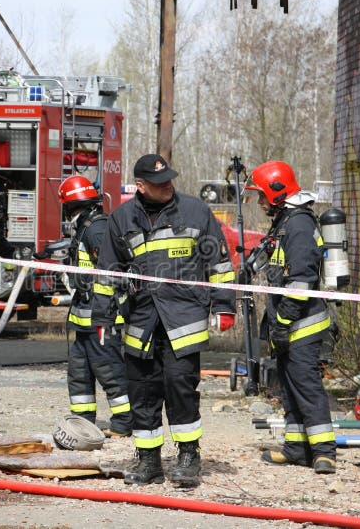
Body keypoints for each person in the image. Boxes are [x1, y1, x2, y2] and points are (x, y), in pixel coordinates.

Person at [92, 154, 236, 487]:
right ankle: (148, 460)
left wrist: (224, 305)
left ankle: (188, 456)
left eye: (169, 178)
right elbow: (107, 272)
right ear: (140, 186)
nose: (167, 185)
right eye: (159, 183)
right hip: (141, 318)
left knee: (180, 386)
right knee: (142, 390)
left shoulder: (196, 211)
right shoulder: (121, 219)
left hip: (183, 317)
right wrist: (103, 315)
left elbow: (219, 263)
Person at [245, 160, 336, 474]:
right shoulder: (285, 221)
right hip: (288, 322)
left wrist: (283, 323)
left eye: (261, 195)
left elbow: (301, 280)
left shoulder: (298, 226)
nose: (259, 202)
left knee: (307, 388)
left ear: (276, 191)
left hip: (302, 324)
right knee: (288, 387)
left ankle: (324, 453)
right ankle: (296, 448)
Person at [57, 175, 132, 437]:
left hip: (101, 317)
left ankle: (124, 422)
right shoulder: (87, 226)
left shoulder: (96, 229)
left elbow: (111, 272)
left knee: (108, 369)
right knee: (79, 372)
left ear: (69, 204)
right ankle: (82, 421)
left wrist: (104, 313)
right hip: (84, 318)